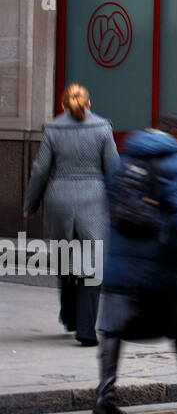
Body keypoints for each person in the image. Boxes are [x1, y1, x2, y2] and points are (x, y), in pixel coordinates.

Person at [94, 112, 177, 414]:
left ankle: (105, 397)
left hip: (122, 261)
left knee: (112, 330)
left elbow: (110, 199)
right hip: (161, 264)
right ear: (176, 134)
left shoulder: (126, 158)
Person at [22, 84, 120, 346]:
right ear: (89, 103)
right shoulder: (102, 128)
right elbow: (113, 170)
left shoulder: (53, 129)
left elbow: (41, 170)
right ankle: (86, 329)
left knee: (65, 256)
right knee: (91, 262)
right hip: (94, 198)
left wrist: (31, 204)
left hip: (60, 197)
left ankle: (69, 315)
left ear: (63, 105)